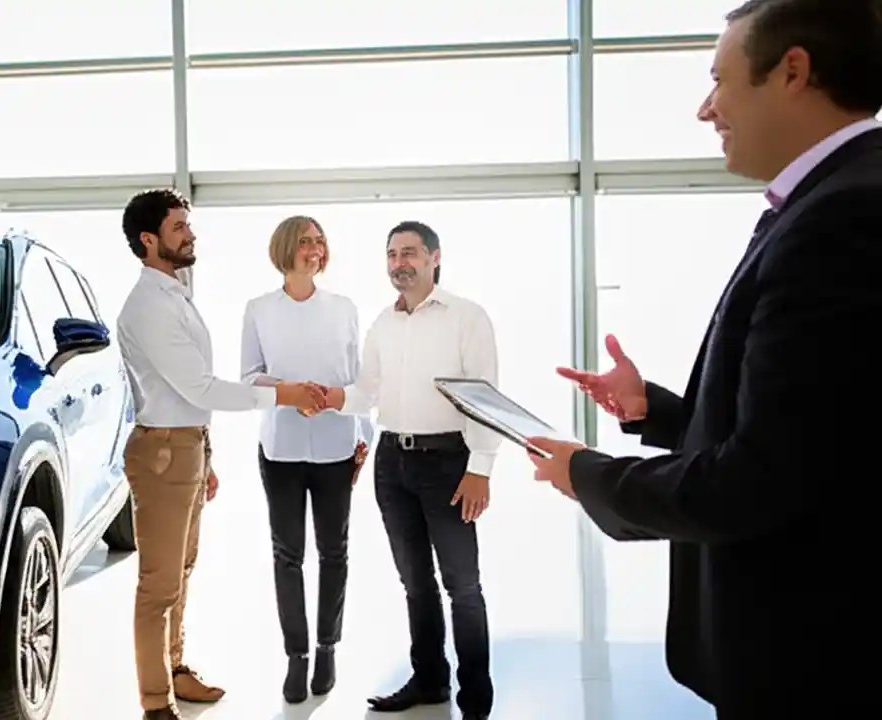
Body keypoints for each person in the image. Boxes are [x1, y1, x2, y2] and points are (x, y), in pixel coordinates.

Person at [527, 2, 882, 717]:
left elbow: (760, 480)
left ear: (793, 71)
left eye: (718, 80)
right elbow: (812, 435)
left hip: (811, 659)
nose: (705, 108)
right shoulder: (826, 201)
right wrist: (653, 410)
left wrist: (588, 474)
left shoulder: (842, 218)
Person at [114, 188, 327, 720]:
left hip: (184, 446)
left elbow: (192, 400)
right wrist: (285, 393)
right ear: (148, 240)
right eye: (179, 227)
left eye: (189, 224)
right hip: (163, 452)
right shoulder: (148, 307)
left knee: (181, 572)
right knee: (158, 585)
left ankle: (175, 668)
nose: (191, 234)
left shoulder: (175, 292)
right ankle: (155, 702)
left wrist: (204, 456)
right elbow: (201, 388)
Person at [320, 221, 499, 720]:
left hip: (449, 463)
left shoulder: (467, 317)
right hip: (392, 464)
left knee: (463, 586)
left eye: (410, 253)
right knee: (415, 583)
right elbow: (366, 392)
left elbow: (485, 398)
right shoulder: (383, 322)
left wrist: (480, 468)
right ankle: (430, 681)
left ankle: (477, 698)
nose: (400, 263)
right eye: (392, 254)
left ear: (434, 257)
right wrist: (331, 399)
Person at [238, 215, 372, 703]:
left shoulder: (345, 308)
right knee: (287, 554)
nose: (314, 248)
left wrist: (364, 436)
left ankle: (327, 646)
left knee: (334, 552)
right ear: (286, 250)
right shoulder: (258, 310)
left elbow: (359, 381)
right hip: (281, 448)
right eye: (305, 241)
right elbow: (250, 378)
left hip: (338, 444)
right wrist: (291, 393)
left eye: (320, 240)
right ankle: (297, 655)